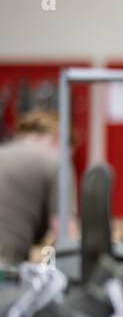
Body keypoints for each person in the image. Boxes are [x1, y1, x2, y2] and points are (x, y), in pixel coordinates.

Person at [0, 109, 62, 266]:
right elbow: (62, 231)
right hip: (6, 259)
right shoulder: (55, 160)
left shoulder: (3, 153)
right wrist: (48, 267)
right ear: (56, 139)